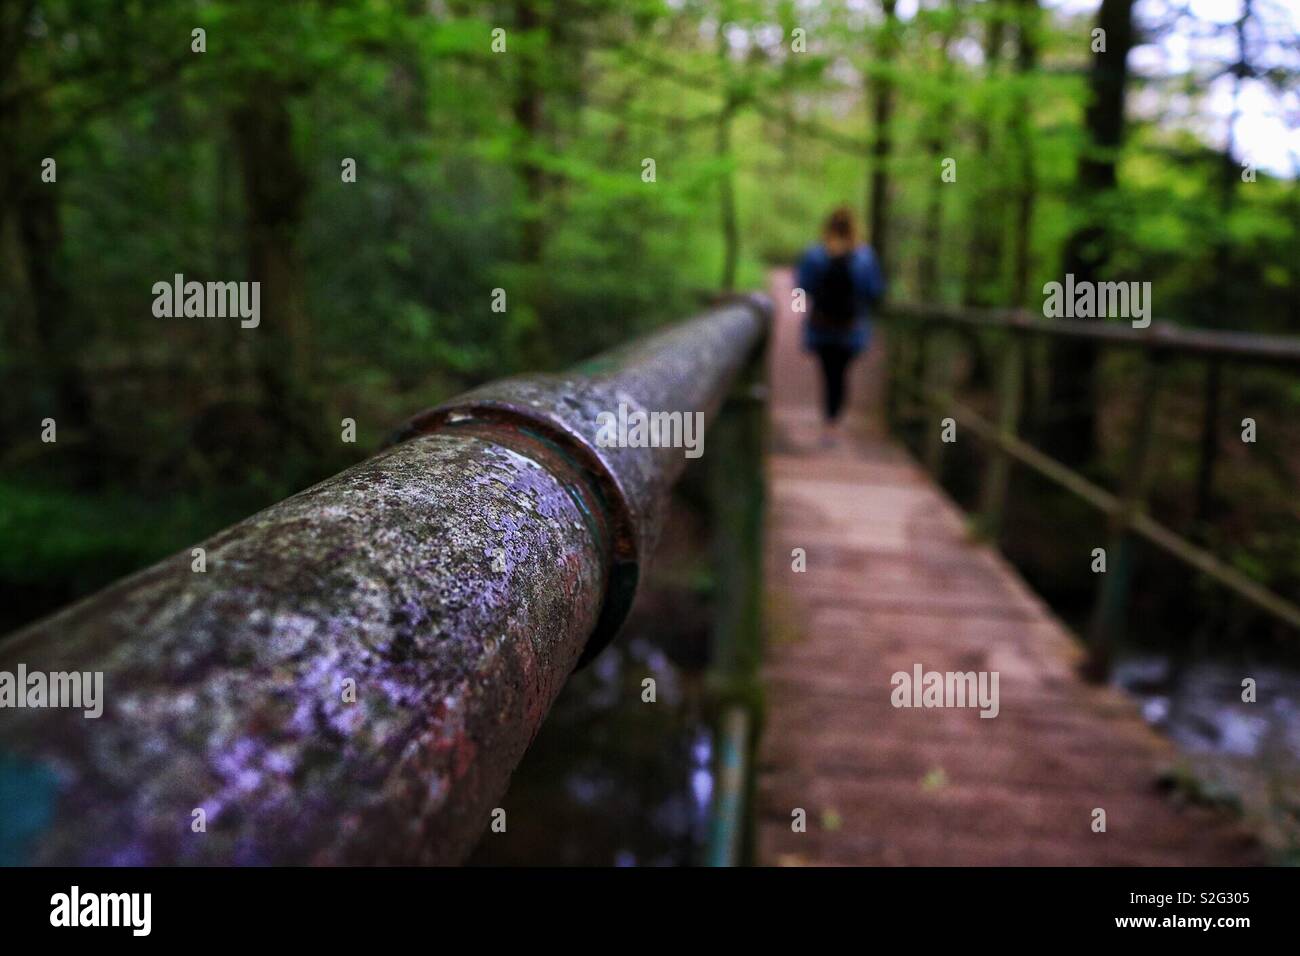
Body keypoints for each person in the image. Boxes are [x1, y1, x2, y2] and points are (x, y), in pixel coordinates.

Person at [796, 207, 886, 446]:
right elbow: (875, 291)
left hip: (822, 327)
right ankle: (833, 422)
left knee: (828, 375)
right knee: (841, 375)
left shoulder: (816, 253)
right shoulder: (865, 256)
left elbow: (803, 285)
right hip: (851, 328)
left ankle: (829, 422)